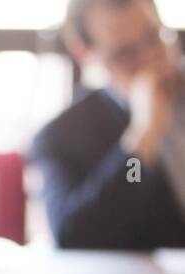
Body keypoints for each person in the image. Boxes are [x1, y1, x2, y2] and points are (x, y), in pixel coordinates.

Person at [31, 0, 185, 249]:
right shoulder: (61, 137)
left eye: (153, 37)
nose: (150, 58)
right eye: (125, 53)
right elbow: (74, 237)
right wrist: (143, 136)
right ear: (85, 55)